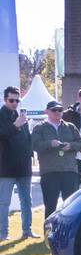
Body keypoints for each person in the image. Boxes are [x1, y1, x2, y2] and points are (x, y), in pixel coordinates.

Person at [31, 102, 81, 218]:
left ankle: (69, 234)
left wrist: (70, 146)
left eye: (60, 110)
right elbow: (34, 145)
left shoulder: (70, 126)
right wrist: (50, 144)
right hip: (50, 172)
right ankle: (48, 233)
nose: (57, 112)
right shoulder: (40, 127)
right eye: (54, 110)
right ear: (47, 111)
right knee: (50, 207)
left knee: (71, 206)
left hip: (70, 171)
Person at [0, 86, 36, 240]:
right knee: (4, 203)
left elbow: (27, 138)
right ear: (4, 99)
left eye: (17, 100)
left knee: (27, 201)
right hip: (6, 166)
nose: (15, 103)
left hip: (24, 166)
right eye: (11, 100)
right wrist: (16, 125)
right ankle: (2, 233)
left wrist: (30, 154)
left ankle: (27, 231)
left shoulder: (20, 115)